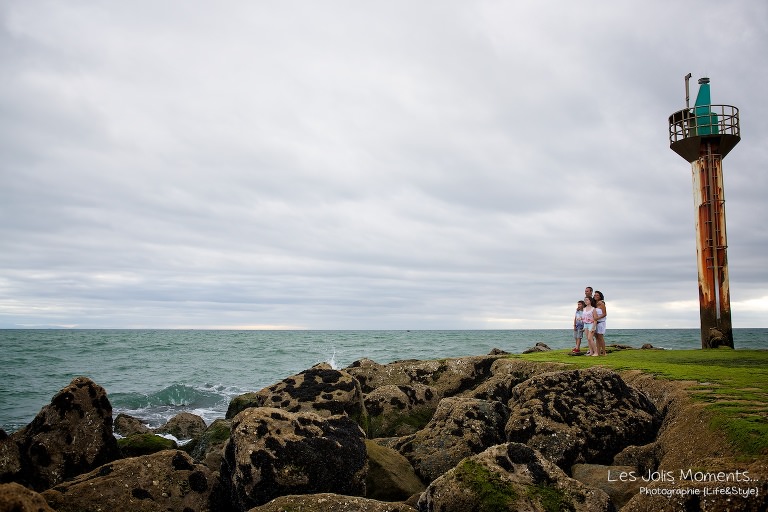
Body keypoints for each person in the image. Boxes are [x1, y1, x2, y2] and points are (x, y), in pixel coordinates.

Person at [594, 290, 607, 356]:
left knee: (600, 337)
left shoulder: (601, 303)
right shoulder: (595, 304)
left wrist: (597, 318)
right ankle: (598, 352)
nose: (596, 296)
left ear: (600, 296)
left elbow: (605, 314)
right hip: (596, 323)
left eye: (597, 295)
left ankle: (604, 352)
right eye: (595, 295)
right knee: (596, 337)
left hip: (601, 322)